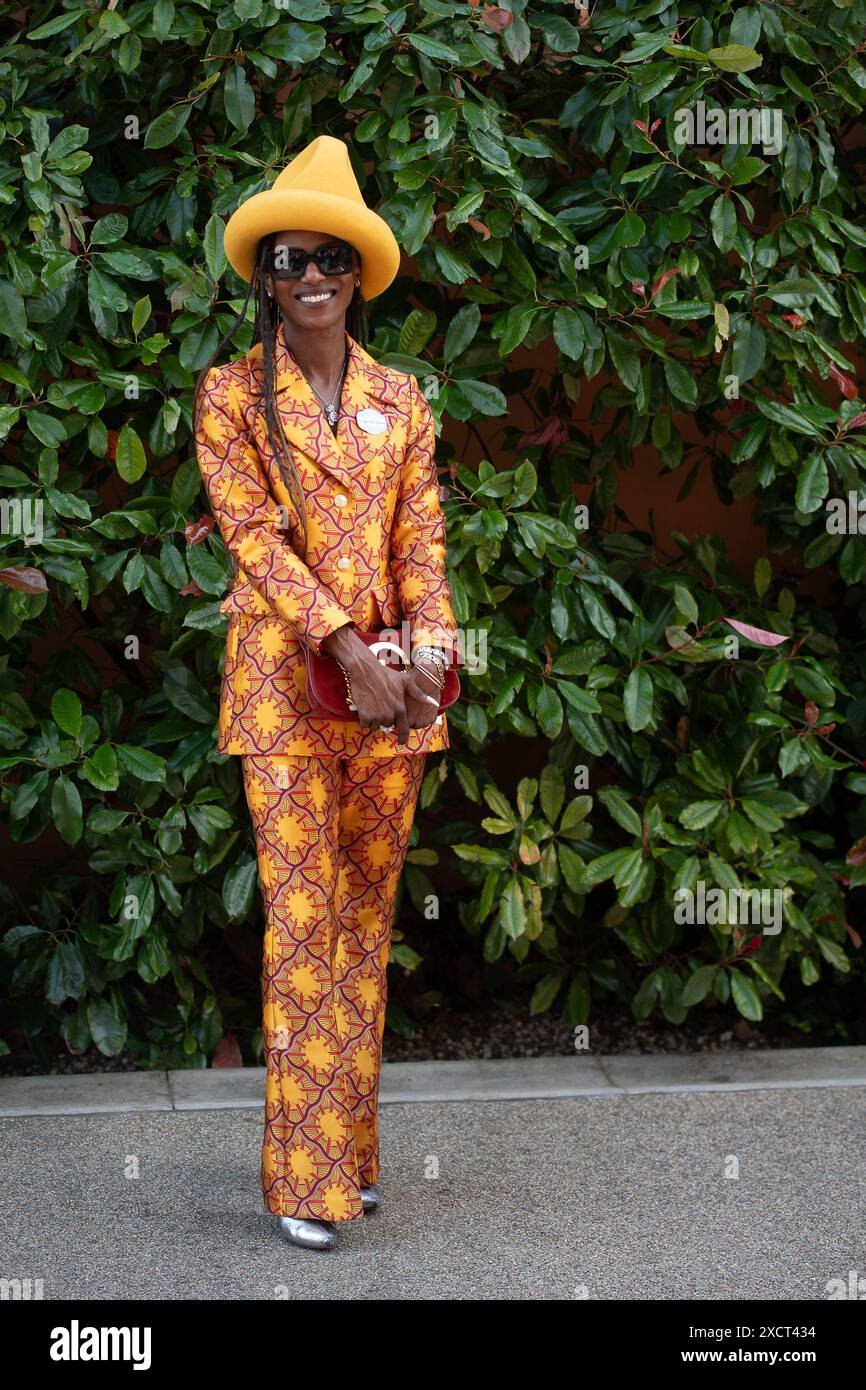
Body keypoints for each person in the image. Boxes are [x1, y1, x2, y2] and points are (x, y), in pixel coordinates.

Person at [192, 136, 457, 1250]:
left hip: (389, 698)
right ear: (264, 275)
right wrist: (347, 644)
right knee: (301, 928)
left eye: (332, 258)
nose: (311, 275)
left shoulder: (404, 398)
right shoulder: (227, 398)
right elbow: (250, 539)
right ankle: (303, 1179)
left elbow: (423, 544)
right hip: (285, 695)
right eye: (290, 258)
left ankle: (344, 1150)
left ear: (357, 274)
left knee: (360, 924)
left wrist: (429, 661)